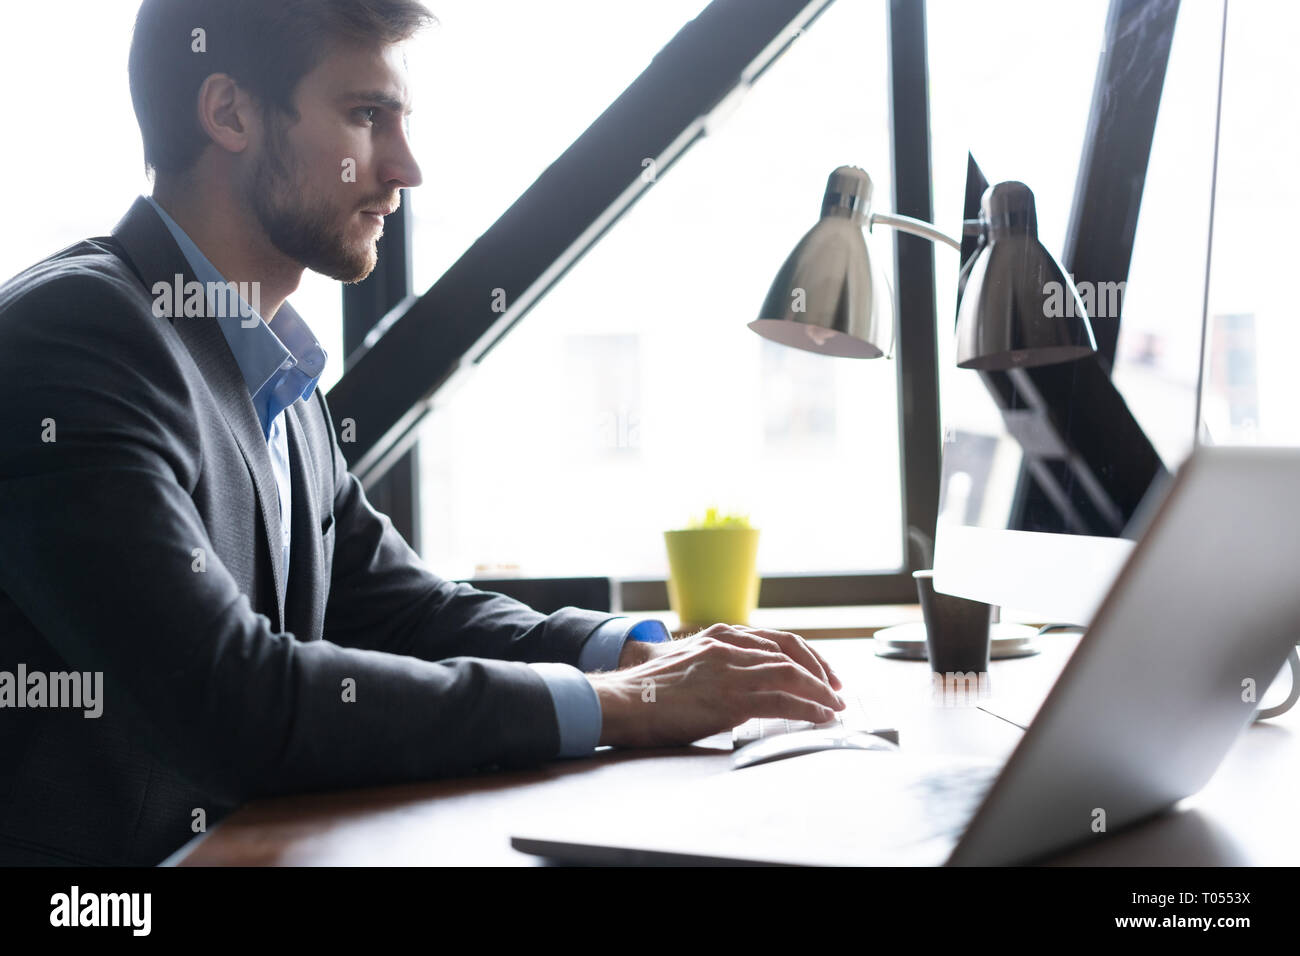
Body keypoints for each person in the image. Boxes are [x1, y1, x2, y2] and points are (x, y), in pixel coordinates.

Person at [0, 0, 843, 866]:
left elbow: (400, 609)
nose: (406, 166)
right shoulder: (81, 337)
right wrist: (624, 703)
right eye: (367, 116)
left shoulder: (269, 362)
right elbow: (231, 698)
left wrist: (629, 649)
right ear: (230, 113)